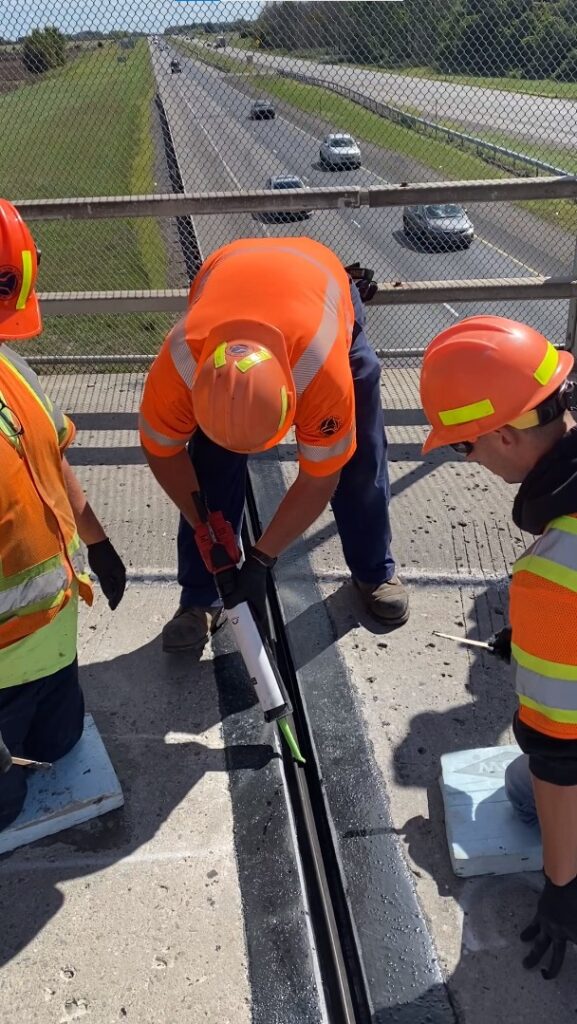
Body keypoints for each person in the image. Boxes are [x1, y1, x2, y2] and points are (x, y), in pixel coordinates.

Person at [139, 236, 409, 653]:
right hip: (230, 272)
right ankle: (200, 597)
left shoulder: (320, 372)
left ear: (291, 397)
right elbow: (164, 453)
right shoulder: (179, 365)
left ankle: (374, 571)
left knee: (357, 457)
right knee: (208, 469)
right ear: (198, 394)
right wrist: (208, 533)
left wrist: (262, 560)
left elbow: (319, 479)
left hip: (319, 285)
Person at [419, 314, 577, 979]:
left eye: (464, 447)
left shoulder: (552, 574)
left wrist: (562, 888)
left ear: (504, 435)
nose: (470, 461)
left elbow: (558, 756)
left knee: (520, 787)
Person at [0, 198, 126, 830]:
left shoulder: (8, 367)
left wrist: (98, 543)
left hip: (51, 646)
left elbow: (52, 453)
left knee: (61, 745)